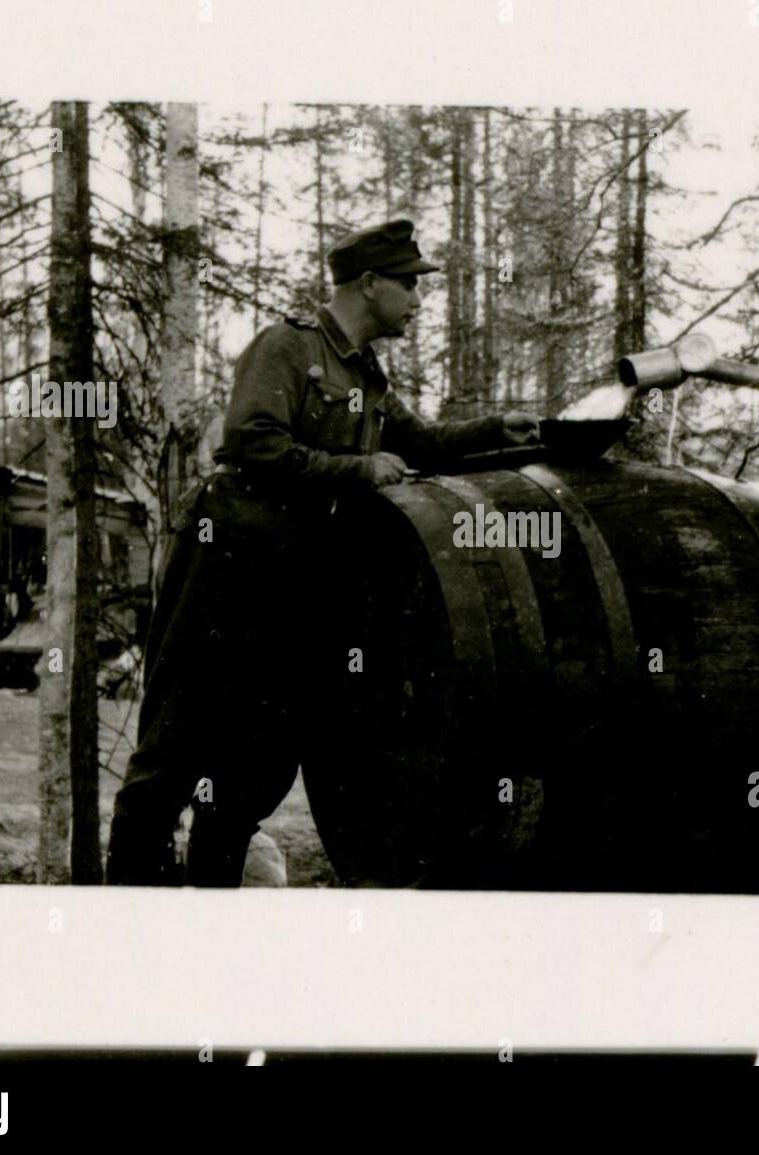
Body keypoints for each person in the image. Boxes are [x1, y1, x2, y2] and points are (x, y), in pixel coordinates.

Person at [106, 219, 540, 886]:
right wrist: (356, 469)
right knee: (174, 746)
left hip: (294, 587)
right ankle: (120, 920)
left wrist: (495, 431)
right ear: (369, 285)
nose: (418, 300)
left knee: (257, 767)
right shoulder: (287, 346)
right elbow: (250, 441)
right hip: (225, 566)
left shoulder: (365, 372)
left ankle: (207, 919)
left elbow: (419, 441)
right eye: (408, 284)